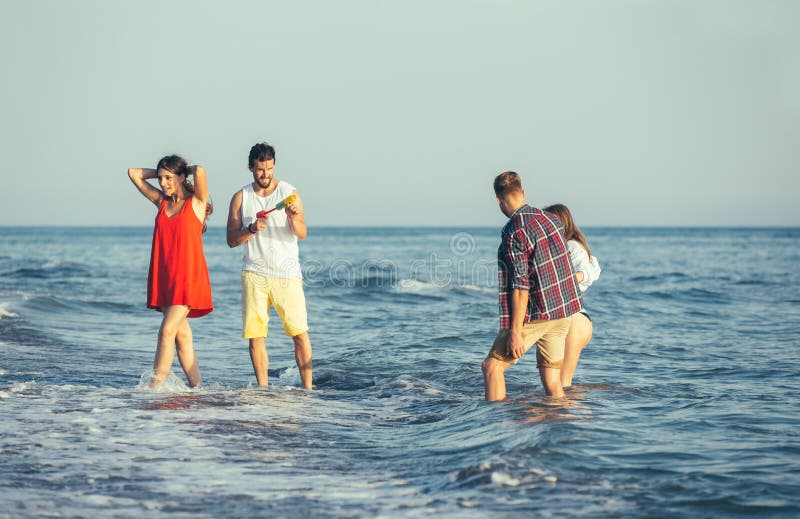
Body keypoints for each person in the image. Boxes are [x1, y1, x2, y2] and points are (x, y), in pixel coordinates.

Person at [482, 171, 583, 400]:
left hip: (539, 314)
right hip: (563, 311)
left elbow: (520, 286)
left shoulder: (514, 231)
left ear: (498, 200)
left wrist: (515, 332)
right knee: (552, 383)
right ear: (523, 192)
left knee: (492, 367)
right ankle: (564, 432)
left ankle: (496, 428)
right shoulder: (552, 219)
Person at [226, 142, 312, 389]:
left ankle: (308, 390)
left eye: (270, 169)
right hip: (254, 273)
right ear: (251, 167)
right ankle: (263, 390)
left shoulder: (288, 192)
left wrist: (293, 217)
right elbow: (231, 240)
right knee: (256, 336)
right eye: (261, 170)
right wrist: (251, 229)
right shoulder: (241, 197)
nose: (266, 175)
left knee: (299, 333)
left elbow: (302, 233)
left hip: (287, 273)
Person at [128, 155, 213, 388]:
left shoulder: (196, 203)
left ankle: (153, 390)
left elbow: (201, 171)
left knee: (166, 331)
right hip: (165, 280)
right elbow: (133, 172)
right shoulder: (162, 203)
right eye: (161, 178)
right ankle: (199, 390)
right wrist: (163, 174)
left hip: (187, 281)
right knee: (181, 337)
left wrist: (186, 170)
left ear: (182, 177)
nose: (163, 183)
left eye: (168, 178)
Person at [544, 203, 601, 388]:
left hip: (574, 321)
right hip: (572, 320)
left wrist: (567, 279)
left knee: (562, 383)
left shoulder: (572, 246)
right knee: (559, 383)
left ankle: (568, 416)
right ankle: (566, 415)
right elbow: (595, 268)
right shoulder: (561, 247)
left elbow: (587, 271)